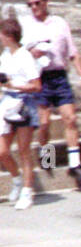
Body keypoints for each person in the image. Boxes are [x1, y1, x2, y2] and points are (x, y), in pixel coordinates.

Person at [20, 0, 81, 190]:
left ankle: (75, 165)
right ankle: (46, 155)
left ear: (46, 2)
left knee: (71, 118)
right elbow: (22, 53)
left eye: (37, 3)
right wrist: (34, 52)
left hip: (59, 76)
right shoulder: (27, 26)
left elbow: (73, 52)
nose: (34, 8)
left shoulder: (60, 24)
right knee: (44, 123)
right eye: (30, 5)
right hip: (40, 77)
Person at [0, 17, 39, 210]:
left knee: (24, 150)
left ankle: (27, 191)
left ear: (9, 35)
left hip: (25, 103)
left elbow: (36, 86)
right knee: (2, 151)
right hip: (7, 102)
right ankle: (16, 180)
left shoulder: (25, 56)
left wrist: (14, 85)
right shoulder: (5, 55)